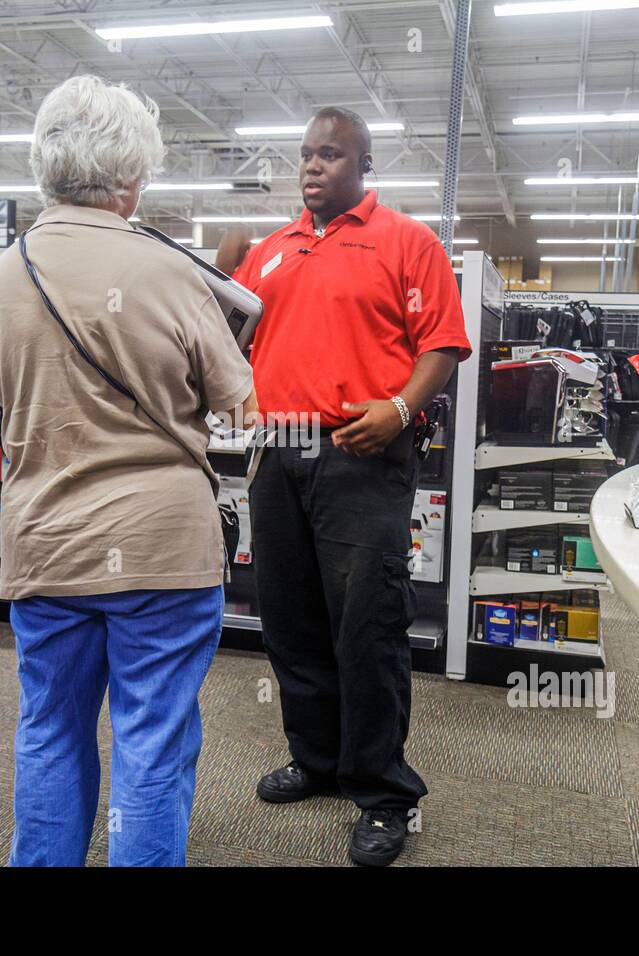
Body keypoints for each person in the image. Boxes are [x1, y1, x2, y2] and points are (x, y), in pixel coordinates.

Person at [0, 74, 257, 868]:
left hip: (46, 541)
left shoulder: (9, 268)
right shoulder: (169, 271)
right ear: (133, 177)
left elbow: (13, 394)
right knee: (152, 743)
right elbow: (240, 409)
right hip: (160, 549)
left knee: (50, 732)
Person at [216, 106, 472, 866]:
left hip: (362, 454)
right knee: (290, 620)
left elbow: (444, 346)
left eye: (330, 155)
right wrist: (222, 265)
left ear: (363, 166)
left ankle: (384, 792)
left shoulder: (406, 243)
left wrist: (398, 410)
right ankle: (318, 760)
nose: (313, 167)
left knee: (367, 627)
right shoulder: (270, 252)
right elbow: (225, 338)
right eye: (305, 155)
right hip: (279, 451)